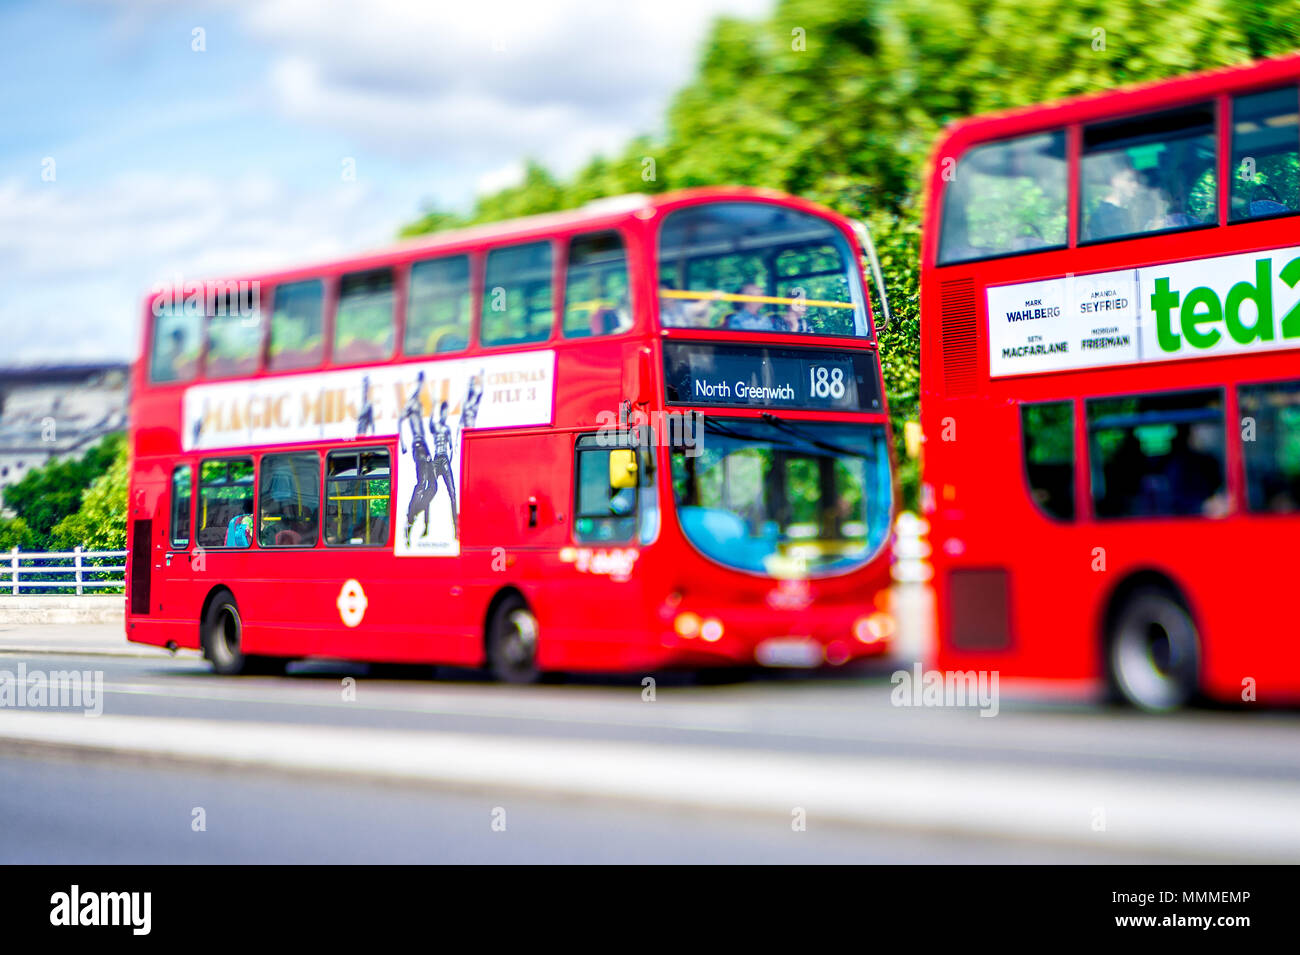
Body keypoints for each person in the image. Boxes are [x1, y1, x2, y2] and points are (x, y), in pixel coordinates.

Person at [400, 371, 436, 546]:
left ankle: (414, 518)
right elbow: (400, 419)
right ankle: (409, 520)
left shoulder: (417, 402)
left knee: (433, 487)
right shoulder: (411, 403)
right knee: (422, 484)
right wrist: (403, 443)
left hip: (425, 445)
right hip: (417, 445)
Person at [1085, 153, 1141, 241]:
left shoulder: (1116, 211)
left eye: (1137, 180)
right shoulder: (1108, 215)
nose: (1136, 185)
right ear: (1115, 181)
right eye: (1130, 180)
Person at [429, 400, 459, 540]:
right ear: (441, 412)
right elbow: (429, 424)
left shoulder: (447, 429)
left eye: (447, 412)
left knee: (452, 493)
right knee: (430, 490)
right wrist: (432, 407)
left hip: (444, 459)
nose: (445, 414)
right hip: (436, 460)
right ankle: (426, 526)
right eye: (444, 411)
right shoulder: (435, 426)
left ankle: (456, 528)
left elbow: (452, 447)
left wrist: (449, 461)